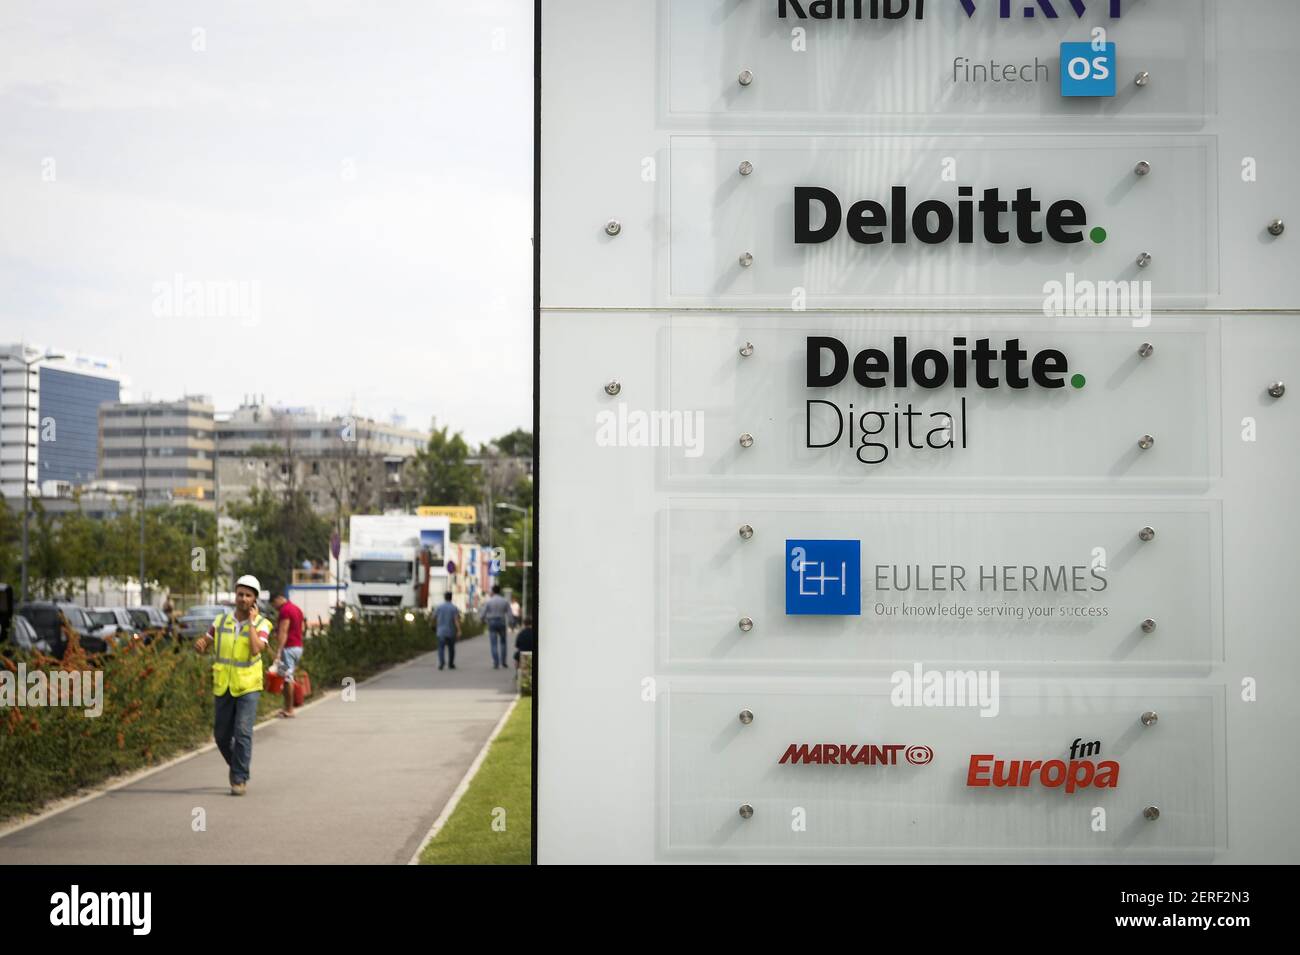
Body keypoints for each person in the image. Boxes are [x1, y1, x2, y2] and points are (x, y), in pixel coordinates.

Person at [193, 575, 273, 796]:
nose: (243, 599)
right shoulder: (220, 621)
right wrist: (200, 645)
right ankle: (238, 766)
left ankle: (239, 778)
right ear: (235, 596)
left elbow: (257, 649)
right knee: (221, 735)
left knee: (243, 731)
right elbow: (205, 642)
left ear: (255, 600)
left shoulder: (263, 624)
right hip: (224, 684)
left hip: (248, 685)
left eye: (248, 595)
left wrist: (250, 624)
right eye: (240, 594)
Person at [269, 592, 305, 718]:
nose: (275, 607)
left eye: (274, 604)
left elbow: (284, 631)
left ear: (279, 599)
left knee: (286, 678)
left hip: (288, 649)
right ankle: (286, 707)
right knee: (284, 676)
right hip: (298, 647)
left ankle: (290, 709)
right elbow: (303, 628)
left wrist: (278, 651)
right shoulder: (296, 608)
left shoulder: (285, 610)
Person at [480, 585, 512, 670]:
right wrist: (512, 622)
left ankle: (496, 663)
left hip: (492, 622)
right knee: (503, 643)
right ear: (500, 591)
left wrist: (483, 620)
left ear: (493, 591)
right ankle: (503, 662)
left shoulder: (489, 601)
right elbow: (509, 614)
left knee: (493, 644)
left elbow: (483, 614)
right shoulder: (505, 601)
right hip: (501, 622)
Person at [434, 591, 460, 671]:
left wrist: (434, 625)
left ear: (444, 597)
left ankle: (442, 663)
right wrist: (459, 630)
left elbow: (434, 617)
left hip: (441, 631)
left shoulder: (439, 607)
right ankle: (451, 664)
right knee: (451, 648)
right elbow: (456, 620)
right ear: (451, 597)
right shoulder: (454, 608)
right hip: (450, 631)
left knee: (441, 648)